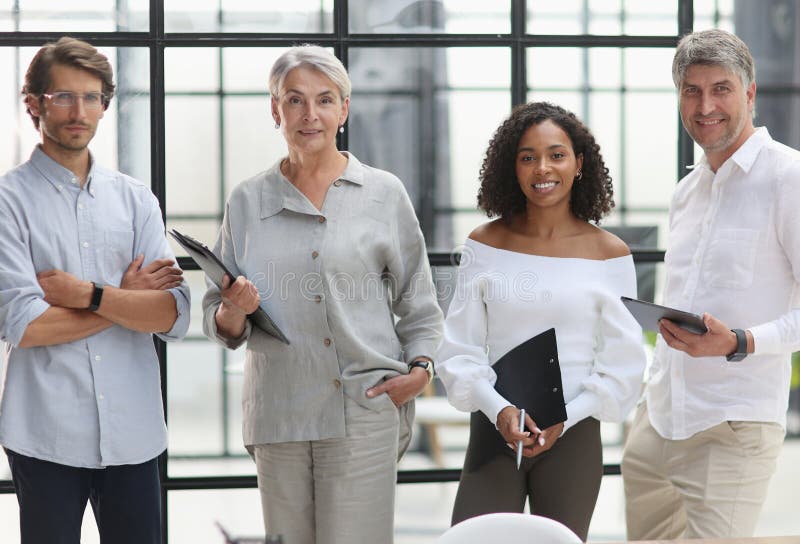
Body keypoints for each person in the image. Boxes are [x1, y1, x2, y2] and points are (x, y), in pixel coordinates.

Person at [201, 44, 443, 544]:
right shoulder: (247, 199)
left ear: (344, 109)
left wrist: (420, 372)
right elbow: (218, 317)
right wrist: (233, 309)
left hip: (364, 409)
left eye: (325, 99)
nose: (310, 114)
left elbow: (419, 301)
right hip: (280, 412)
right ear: (275, 110)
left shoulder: (384, 194)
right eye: (294, 100)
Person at [0, 37, 190, 543]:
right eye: (63, 96)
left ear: (106, 105)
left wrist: (87, 295)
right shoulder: (7, 202)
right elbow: (27, 326)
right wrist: (127, 298)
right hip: (45, 432)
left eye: (91, 97)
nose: (78, 111)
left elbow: (172, 314)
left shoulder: (136, 200)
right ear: (34, 104)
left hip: (134, 434)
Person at [436, 101, 646, 540]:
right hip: (496, 428)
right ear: (511, 167)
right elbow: (460, 349)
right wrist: (499, 411)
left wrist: (564, 420)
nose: (542, 168)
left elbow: (623, 364)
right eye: (527, 157)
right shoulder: (485, 244)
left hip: (573, 435)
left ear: (579, 163)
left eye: (556, 154)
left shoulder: (610, 254)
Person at [621, 29, 800, 539]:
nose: (705, 105)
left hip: (732, 429)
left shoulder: (789, 178)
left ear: (749, 93)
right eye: (691, 90)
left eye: (720, 88)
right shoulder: (686, 191)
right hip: (657, 423)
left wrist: (740, 342)